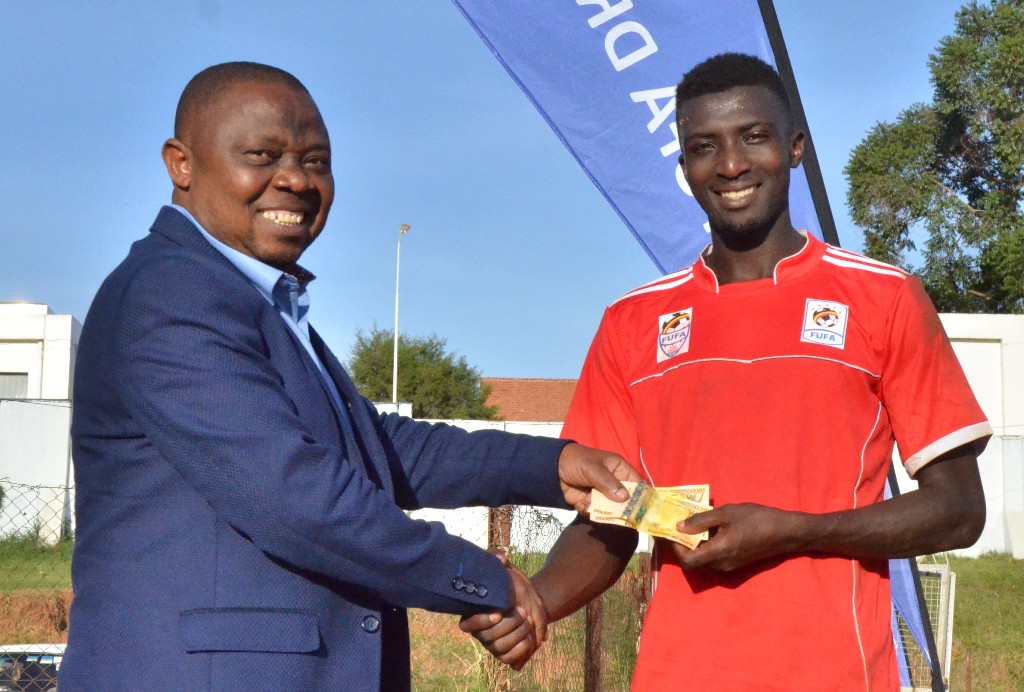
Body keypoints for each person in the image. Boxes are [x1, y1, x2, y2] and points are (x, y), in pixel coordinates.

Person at [62, 61, 638, 691]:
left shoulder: (253, 301)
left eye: (315, 161)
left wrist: (556, 466)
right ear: (182, 163)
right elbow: (294, 498)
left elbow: (381, 448)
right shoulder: (171, 295)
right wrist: (483, 579)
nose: (294, 180)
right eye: (262, 155)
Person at [461, 53, 990, 690]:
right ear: (685, 167)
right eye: (704, 147)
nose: (732, 165)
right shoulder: (632, 322)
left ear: (794, 148)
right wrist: (538, 601)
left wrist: (794, 532)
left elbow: (959, 510)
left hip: (839, 675)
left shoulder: (885, 298)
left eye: (754, 137)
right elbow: (609, 519)